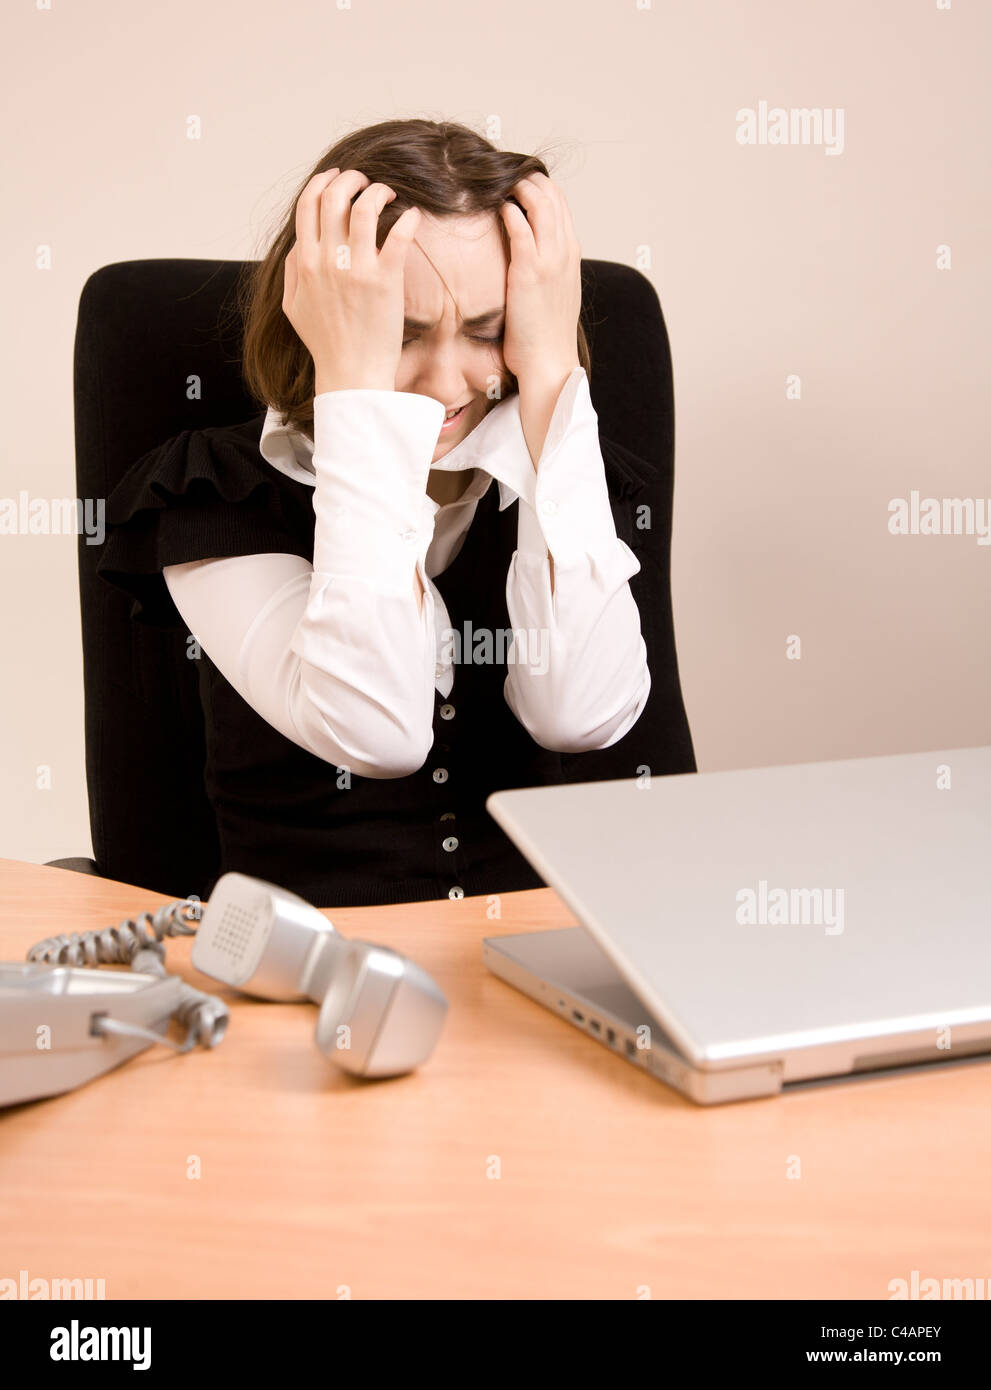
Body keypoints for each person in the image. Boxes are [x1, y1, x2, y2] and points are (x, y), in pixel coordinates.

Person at [96, 118, 695, 908]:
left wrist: (551, 372)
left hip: (538, 949)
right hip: (315, 969)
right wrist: (354, 387)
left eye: (489, 333)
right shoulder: (216, 490)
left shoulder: (569, 474)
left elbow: (578, 716)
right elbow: (378, 732)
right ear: (320, 319)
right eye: (399, 332)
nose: (448, 382)